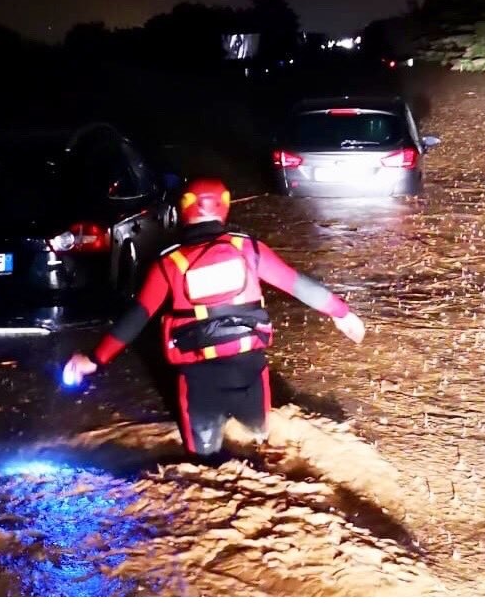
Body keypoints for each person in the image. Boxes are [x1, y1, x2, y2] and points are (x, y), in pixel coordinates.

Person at [63, 177, 365, 459]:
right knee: (261, 450)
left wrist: (95, 359)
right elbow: (297, 284)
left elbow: (137, 317)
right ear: (224, 205)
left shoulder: (169, 262)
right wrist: (342, 313)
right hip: (249, 370)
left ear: (184, 210)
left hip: (198, 378)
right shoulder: (248, 249)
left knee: (204, 459)